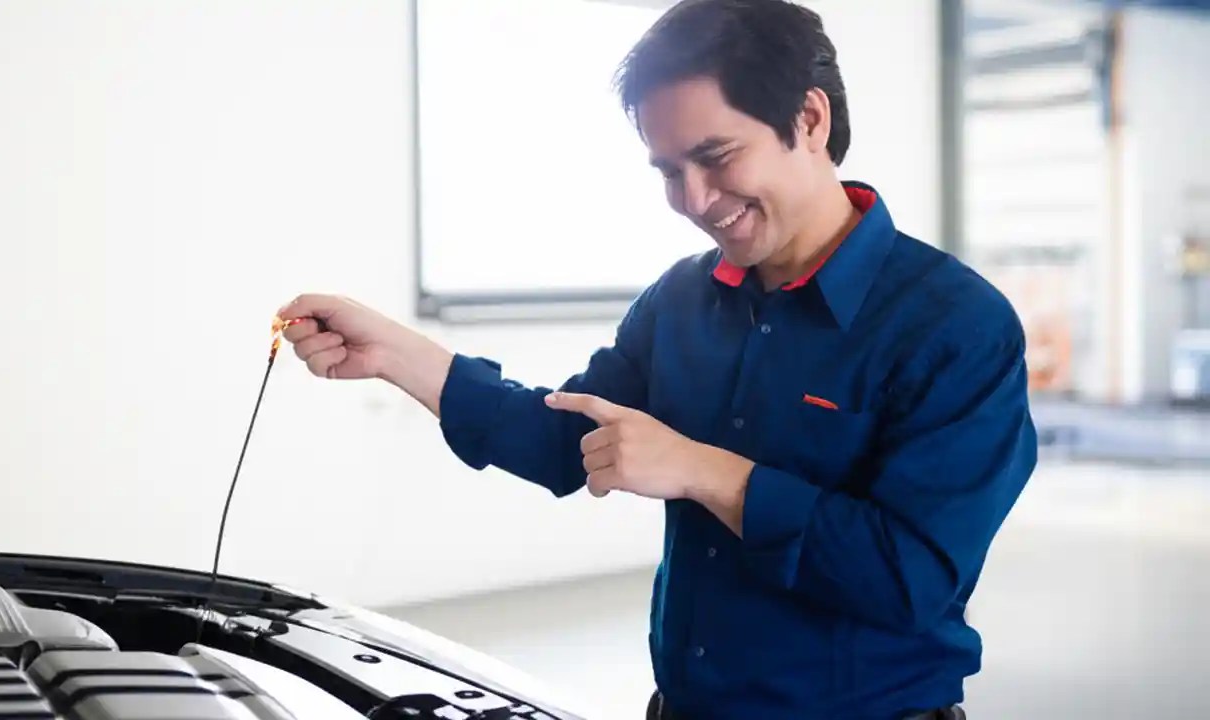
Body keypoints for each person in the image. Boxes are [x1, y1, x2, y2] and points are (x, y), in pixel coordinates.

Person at [277, 0, 1037, 717]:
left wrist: (704, 470)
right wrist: (397, 354)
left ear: (809, 119)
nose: (696, 200)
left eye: (716, 156)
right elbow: (565, 441)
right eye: (670, 171)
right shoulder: (681, 300)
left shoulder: (955, 326)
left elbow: (911, 578)